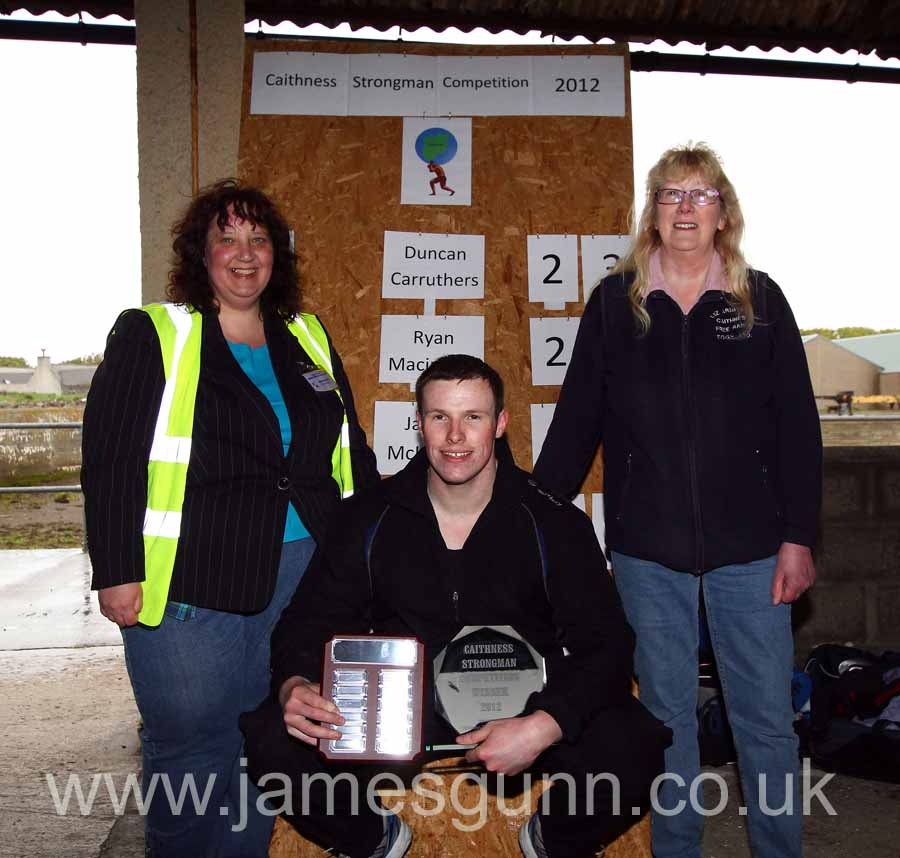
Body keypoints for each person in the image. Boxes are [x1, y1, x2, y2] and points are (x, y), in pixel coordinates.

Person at [240, 354, 671, 858]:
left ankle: (552, 839)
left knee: (636, 744)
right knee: (273, 735)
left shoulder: (553, 521)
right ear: (420, 424)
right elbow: (305, 623)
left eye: (473, 417)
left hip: (524, 702)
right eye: (440, 417)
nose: (455, 436)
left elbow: (609, 646)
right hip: (404, 704)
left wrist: (544, 724)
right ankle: (374, 838)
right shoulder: (366, 517)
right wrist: (295, 682)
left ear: (501, 424)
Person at [533, 143, 822, 858]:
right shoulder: (615, 302)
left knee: (765, 720)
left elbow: (798, 430)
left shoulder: (762, 299)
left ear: (724, 213)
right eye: (671, 194)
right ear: (653, 214)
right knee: (664, 719)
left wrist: (799, 536)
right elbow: (577, 420)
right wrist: (532, 514)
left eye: (701, 194)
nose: (686, 207)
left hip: (755, 551)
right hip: (646, 553)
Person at [81, 179, 379, 857]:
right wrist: (117, 571)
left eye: (258, 239)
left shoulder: (306, 335)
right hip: (195, 582)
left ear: (278, 254)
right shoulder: (156, 333)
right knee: (191, 747)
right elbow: (112, 460)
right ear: (201, 252)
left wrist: (368, 556)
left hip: (304, 576)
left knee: (265, 743)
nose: (244, 253)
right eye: (227, 239)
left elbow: (349, 451)